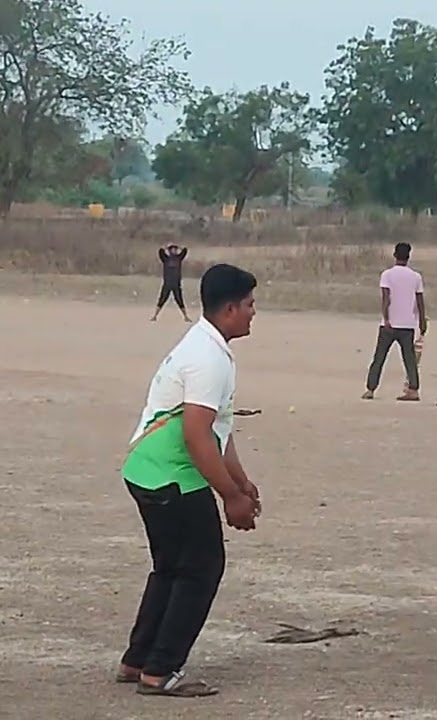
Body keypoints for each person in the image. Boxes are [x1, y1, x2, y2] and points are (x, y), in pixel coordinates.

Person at [116, 263, 261, 698]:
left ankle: (138, 659)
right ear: (231, 308)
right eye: (251, 305)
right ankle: (161, 670)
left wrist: (241, 481)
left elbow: (219, 428)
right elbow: (197, 435)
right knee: (201, 568)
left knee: (172, 568)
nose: (255, 313)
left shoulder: (205, 344)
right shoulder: (207, 358)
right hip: (171, 476)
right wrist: (230, 497)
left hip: (146, 467)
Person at [362, 242, 427, 402]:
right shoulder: (416, 277)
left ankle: (370, 389)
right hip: (408, 324)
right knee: (409, 359)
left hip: (389, 324)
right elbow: (420, 302)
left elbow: (386, 299)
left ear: (394, 255)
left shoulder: (387, 275)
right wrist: (422, 321)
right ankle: (413, 389)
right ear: (408, 257)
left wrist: (387, 319)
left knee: (379, 357)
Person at [151, 242, 191, 322]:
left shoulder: (179, 258)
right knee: (162, 299)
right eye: (172, 249)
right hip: (167, 284)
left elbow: (185, 251)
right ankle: (155, 316)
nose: (174, 250)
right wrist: (166, 247)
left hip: (176, 284)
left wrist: (180, 247)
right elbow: (160, 252)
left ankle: (185, 316)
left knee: (179, 300)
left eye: (175, 249)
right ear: (169, 251)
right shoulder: (165, 259)